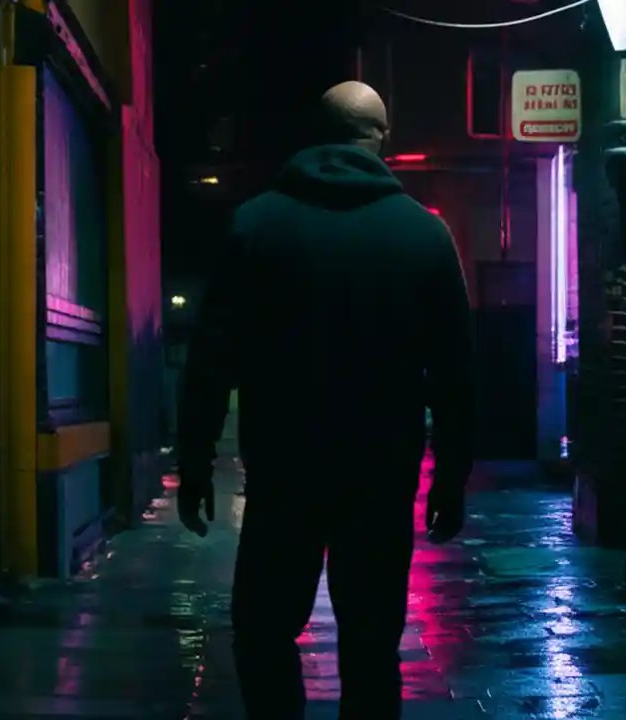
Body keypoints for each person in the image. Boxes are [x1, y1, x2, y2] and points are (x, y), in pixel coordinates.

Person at [176, 80, 475, 719]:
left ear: (318, 135)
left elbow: (210, 358)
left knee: (263, 633)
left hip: (285, 472)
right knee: (371, 646)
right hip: (380, 477)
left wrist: (196, 459)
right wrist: (451, 476)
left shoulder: (256, 224)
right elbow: (455, 371)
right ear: (382, 140)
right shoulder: (423, 237)